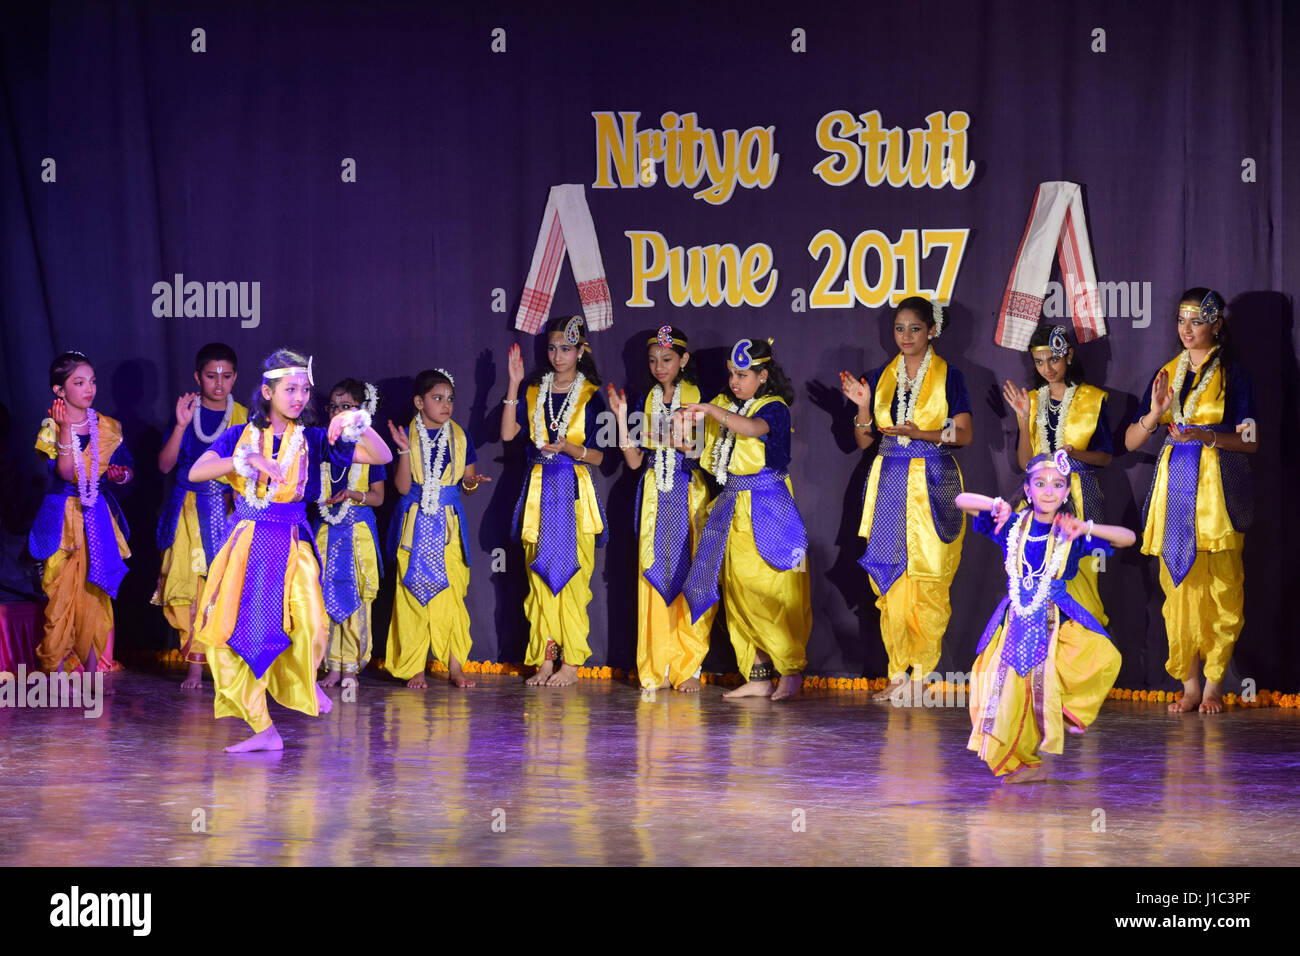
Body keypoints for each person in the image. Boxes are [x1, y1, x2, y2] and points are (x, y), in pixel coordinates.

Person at [189, 349, 392, 752]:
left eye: (304, 389)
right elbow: (196, 473)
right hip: (246, 544)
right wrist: (246, 462)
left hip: (291, 539)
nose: (299, 397)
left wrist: (359, 423)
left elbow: (382, 456)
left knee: (313, 623)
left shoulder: (314, 438)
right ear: (267, 391)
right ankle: (263, 729)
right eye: (290, 389)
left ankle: (305, 679)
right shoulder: (240, 436)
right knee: (233, 637)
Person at [957, 452, 1132, 783]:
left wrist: (1087, 527)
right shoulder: (1011, 525)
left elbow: (1128, 538)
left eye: (1057, 485)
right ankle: (1020, 763)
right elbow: (960, 500)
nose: (1049, 491)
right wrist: (996, 505)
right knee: (1002, 693)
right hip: (1014, 626)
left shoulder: (1070, 532)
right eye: (1040, 484)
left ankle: (1066, 714)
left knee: (1104, 656)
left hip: (1053, 623)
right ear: (1027, 489)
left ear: (1066, 492)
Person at [1123, 288, 1256, 715]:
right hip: (1174, 486)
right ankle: (1190, 684)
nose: (1186, 329)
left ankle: (1215, 683)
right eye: (1181, 320)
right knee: (1176, 589)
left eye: (1196, 320)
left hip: (1217, 490)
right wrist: (1154, 412)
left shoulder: (1233, 373)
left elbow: (1251, 441)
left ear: (1216, 324)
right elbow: (1130, 441)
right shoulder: (1167, 371)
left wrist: (1208, 436)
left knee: (1222, 586)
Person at [839, 296, 971, 704]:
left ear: (932, 330)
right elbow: (865, 438)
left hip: (934, 481)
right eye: (899, 328)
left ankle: (924, 673)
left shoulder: (951, 376)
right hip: (889, 480)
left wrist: (922, 435)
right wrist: (862, 407)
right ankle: (898, 672)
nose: (906, 336)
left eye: (915, 328)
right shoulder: (881, 376)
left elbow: (962, 435)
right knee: (890, 579)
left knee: (929, 581)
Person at [681, 337, 811, 701]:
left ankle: (790, 669)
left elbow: (751, 429)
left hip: (767, 506)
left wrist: (709, 409)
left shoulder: (774, 407)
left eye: (743, 374)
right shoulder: (725, 405)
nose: (735, 381)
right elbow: (707, 452)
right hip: (731, 505)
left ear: (763, 375)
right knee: (738, 594)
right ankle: (757, 674)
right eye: (732, 374)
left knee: (771, 591)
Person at [607, 326, 714, 693]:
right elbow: (636, 462)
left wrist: (662, 438)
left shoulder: (699, 398)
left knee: (690, 573)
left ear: (683, 360)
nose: (659, 366)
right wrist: (622, 417)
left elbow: (699, 452)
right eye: (653, 360)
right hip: (655, 493)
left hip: (687, 494)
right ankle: (657, 664)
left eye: (666, 359)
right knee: (653, 575)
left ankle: (690, 665)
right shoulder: (644, 400)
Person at [501, 315, 607, 687]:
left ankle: (572, 662)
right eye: (552, 348)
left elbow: (599, 457)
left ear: (581, 351)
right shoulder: (534, 391)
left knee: (574, 578)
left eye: (566, 348)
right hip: (539, 492)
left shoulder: (592, 395)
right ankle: (545, 659)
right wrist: (514, 383)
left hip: (574, 490)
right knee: (540, 577)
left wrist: (569, 448)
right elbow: (509, 433)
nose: (558, 356)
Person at [1001, 324, 1113, 626]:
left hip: (1079, 495)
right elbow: (1027, 463)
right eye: (1039, 361)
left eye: (1053, 359)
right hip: (1039, 502)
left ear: (1069, 355)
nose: (1047, 368)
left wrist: (1074, 454)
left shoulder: (1092, 399)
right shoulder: (1032, 400)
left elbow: (1104, 456)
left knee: (1082, 572)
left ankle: (1083, 657)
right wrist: (1024, 420)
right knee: (1036, 575)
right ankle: (1042, 660)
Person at [384, 368, 489, 689]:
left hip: (447, 527)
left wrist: (470, 483)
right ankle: (412, 666)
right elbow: (402, 488)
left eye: (450, 399)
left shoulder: (460, 436)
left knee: (453, 594)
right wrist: (402, 450)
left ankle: (455, 666)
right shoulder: (406, 434)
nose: (446, 405)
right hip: (414, 524)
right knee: (411, 595)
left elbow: (467, 482)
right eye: (437, 398)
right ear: (419, 402)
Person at [30, 351, 132, 673]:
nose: (89, 389)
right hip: (62, 519)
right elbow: (63, 472)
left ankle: (92, 671)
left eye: (92, 381)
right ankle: (57, 673)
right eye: (79, 382)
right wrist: (63, 430)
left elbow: (128, 469)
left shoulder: (109, 428)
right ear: (60, 391)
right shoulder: (50, 427)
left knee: (95, 591)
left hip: (96, 516)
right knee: (59, 594)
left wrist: (120, 474)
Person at [154, 342, 247, 688]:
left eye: (226, 376)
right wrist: (180, 426)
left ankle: (225, 662)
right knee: (189, 585)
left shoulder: (242, 417)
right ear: (198, 377)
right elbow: (164, 464)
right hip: (186, 511)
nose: (219, 384)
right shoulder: (187, 411)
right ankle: (194, 663)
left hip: (225, 511)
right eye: (211, 376)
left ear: (236, 376)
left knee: (222, 584)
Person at [315, 378, 386, 689]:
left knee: (357, 597)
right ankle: (331, 665)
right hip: (327, 529)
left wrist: (352, 495)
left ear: (361, 412)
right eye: (335, 407)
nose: (339, 413)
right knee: (324, 593)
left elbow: (378, 497)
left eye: (347, 407)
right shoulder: (321, 444)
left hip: (358, 532)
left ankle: (351, 667)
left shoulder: (371, 450)